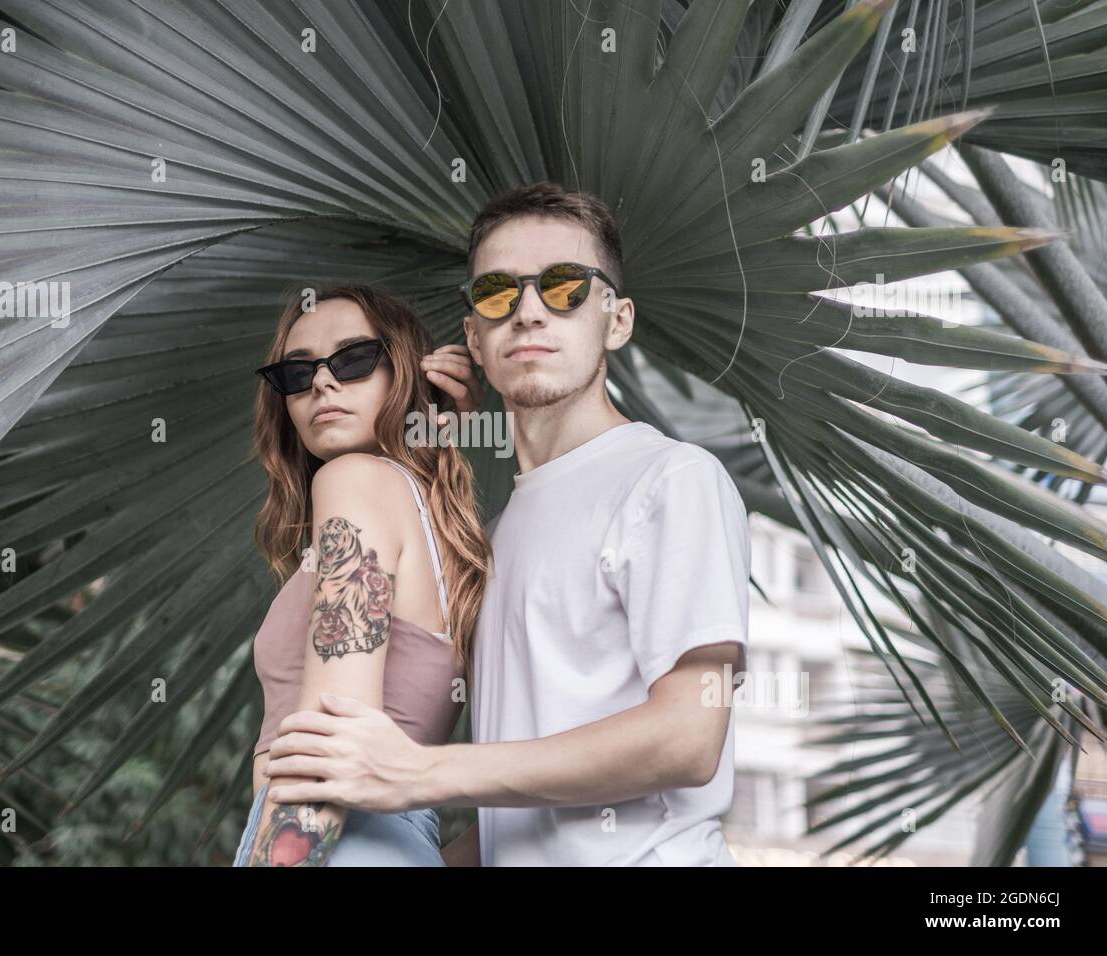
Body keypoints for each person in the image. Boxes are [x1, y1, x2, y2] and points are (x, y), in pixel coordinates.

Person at [263, 183, 752, 866]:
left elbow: (689, 737)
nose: (528, 312)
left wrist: (423, 775)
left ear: (617, 319)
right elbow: (515, 826)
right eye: (498, 294)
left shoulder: (671, 478)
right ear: (474, 336)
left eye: (564, 287)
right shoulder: (494, 538)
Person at [234, 283, 490, 866]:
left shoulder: (353, 481)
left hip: (316, 843)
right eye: (297, 374)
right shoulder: (451, 536)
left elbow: (331, 748)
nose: (323, 382)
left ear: (403, 374)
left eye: (352, 360)